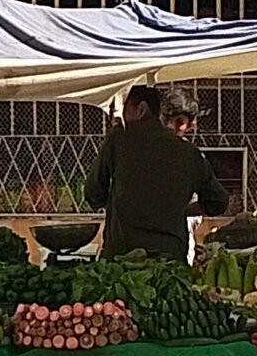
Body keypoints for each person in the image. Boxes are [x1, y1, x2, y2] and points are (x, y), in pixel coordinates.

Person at [85, 85, 229, 261]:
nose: (122, 117)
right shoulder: (189, 153)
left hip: (122, 255)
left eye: (126, 110)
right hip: (169, 257)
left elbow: (93, 192)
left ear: (142, 109)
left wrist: (125, 206)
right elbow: (219, 202)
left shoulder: (119, 138)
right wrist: (177, 209)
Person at [161, 88, 223, 264]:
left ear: (191, 125)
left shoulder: (189, 155)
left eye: (179, 122)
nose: (171, 127)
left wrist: (179, 210)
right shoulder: (138, 149)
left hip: (176, 238)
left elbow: (216, 200)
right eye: (169, 120)